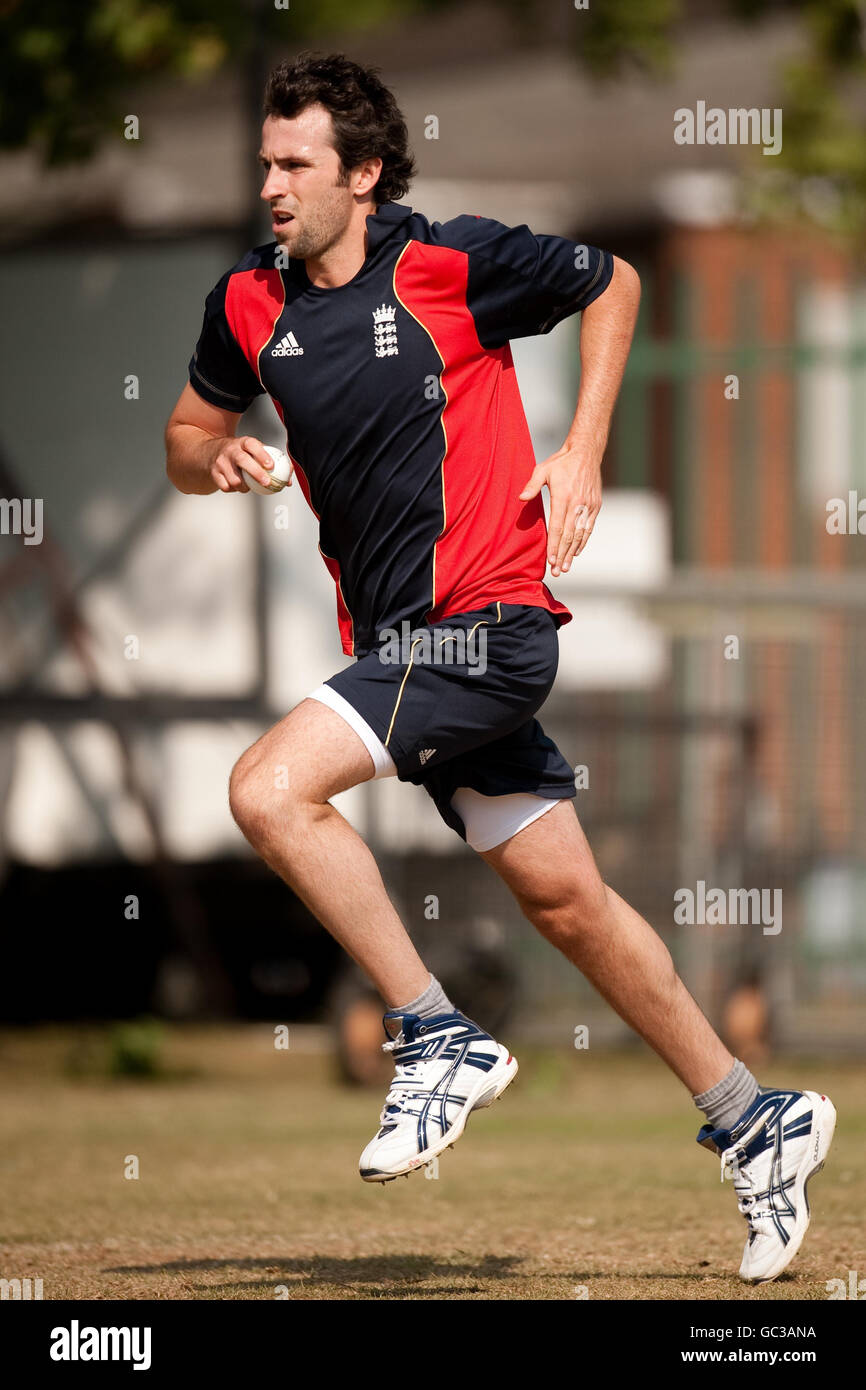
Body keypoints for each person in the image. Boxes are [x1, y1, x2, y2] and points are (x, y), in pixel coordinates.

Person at [165, 52, 835, 1285]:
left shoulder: (445, 263)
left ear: (361, 173)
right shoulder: (247, 303)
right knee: (569, 904)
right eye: (265, 161)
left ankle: (434, 1037)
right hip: (401, 650)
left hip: (480, 632)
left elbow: (616, 279)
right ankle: (754, 1117)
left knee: (268, 789)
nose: (269, 184)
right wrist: (214, 459)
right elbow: (187, 429)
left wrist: (580, 450)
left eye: (294, 163)